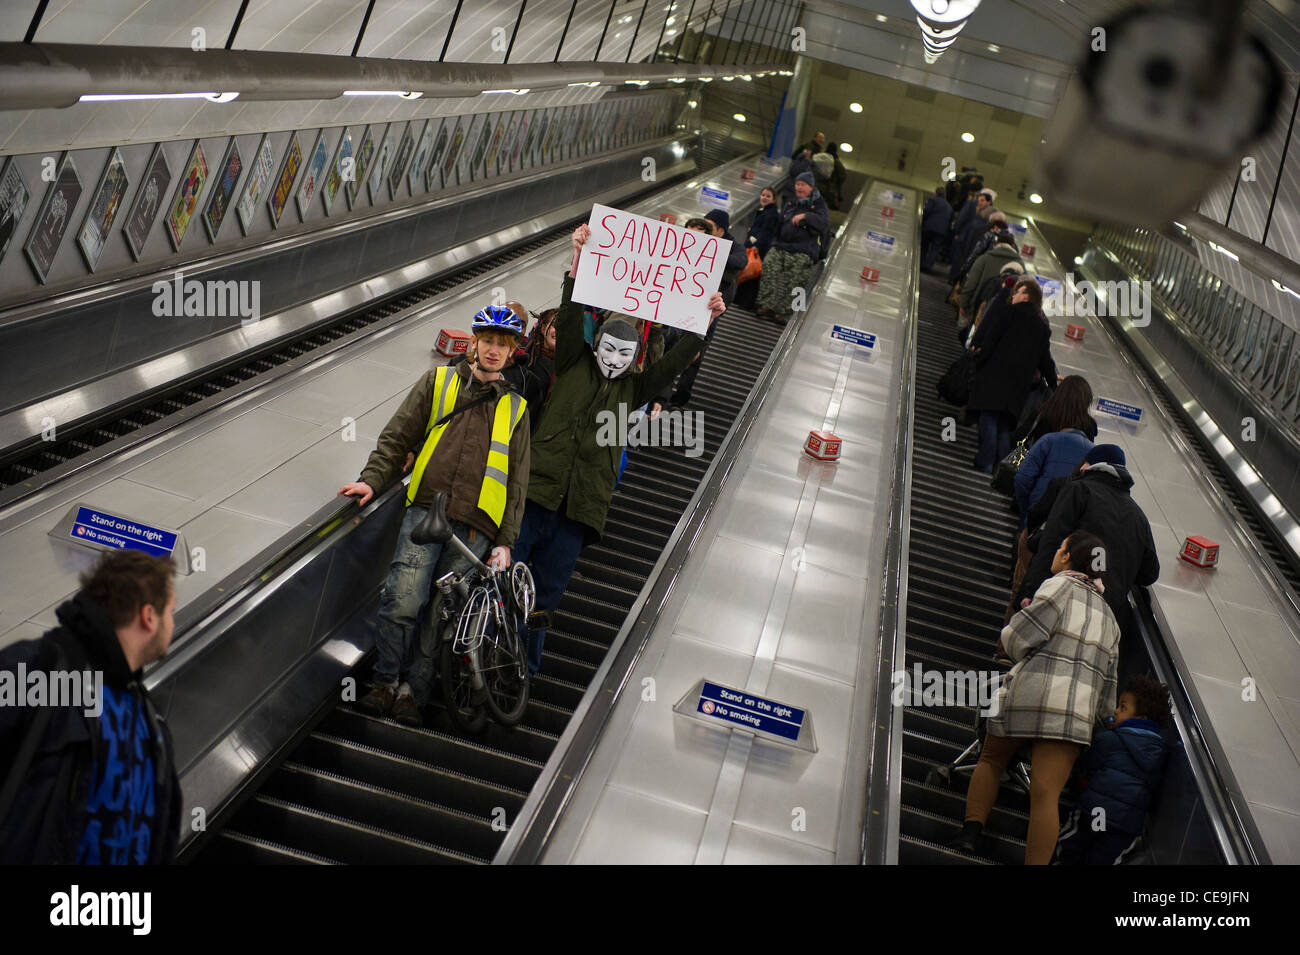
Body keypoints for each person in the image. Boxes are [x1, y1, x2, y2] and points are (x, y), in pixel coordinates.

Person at [512, 225, 725, 675]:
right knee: (506, 572)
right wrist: (577, 259)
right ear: (596, 344)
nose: (615, 358)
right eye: (609, 347)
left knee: (548, 592)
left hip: (582, 508)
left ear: (635, 357)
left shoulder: (635, 388)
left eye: (625, 353)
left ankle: (524, 668)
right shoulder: (572, 363)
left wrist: (704, 322)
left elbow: (673, 361)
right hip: (535, 491)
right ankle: (490, 643)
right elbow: (569, 314)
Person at [341, 304, 531, 726]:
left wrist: (506, 541)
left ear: (514, 350)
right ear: (475, 342)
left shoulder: (516, 408)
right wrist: (372, 479)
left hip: (477, 527)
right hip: (428, 510)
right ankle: (383, 683)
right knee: (403, 600)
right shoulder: (439, 380)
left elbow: (518, 481)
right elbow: (398, 434)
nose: (495, 350)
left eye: (504, 344)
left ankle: (414, 694)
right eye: (488, 341)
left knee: (441, 619)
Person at [0, 550, 182, 864]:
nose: (173, 623)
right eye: (171, 612)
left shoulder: (150, 721)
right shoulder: (39, 673)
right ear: (148, 616)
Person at [950, 531, 1121, 865]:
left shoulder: (1057, 586)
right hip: (1074, 717)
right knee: (1046, 796)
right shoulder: (1111, 621)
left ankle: (970, 833)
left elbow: (1018, 636)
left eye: (1060, 548)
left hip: (1029, 697)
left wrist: (1014, 646)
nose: (1056, 553)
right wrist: (1094, 720)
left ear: (1068, 558)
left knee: (991, 760)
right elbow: (1108, 693)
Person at [1016, 444, 1160, 645]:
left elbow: (1051, 541)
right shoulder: (1138, 517)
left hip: (1061, 598)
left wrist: (1029, 591)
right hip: (1103, 615)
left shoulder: (1078, 490)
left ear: (1088, 466)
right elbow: (1149, 573)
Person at [1056, 675, 1172, 865]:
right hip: (1125, 824)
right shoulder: (1161, 755)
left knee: (1072, 846)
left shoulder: (1109, 739)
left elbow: (1088, 765)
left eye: (1123, 707)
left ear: (1141, 717)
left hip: (1095, 812)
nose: (1116, 711)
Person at [968, 277, 1057, 473]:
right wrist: (1054, 385)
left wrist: (979, 363)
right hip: (1019, 386)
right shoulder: (1042, 328)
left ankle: (985, 462)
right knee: (1003, 425)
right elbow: (1045, 360)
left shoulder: (1006, 313)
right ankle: (1001, 467)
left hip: (994, 376)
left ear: (1026, 296)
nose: (1013, 296)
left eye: (1017, 292)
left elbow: (990, 342)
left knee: (988, 417)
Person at [755, 172, 829, 323]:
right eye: (797, 184)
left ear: (811, 187)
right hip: (782, 245)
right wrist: (774, 242)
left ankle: (785, 312)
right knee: (769, 265)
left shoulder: (819, 204)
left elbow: (823, 224)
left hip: (804, 249)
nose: (799, 187)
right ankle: (766, 305)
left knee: (796, 278)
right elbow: (780, 223)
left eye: (803, 184)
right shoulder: (791, 202)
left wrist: (805, 217)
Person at [959, 230, 1022, 321]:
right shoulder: (1020, 264)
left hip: (979, 306)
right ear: (1013, 246)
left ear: (996, 243)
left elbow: (971, 283)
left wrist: (963, 304)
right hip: (1003, 313)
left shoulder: (984, 259)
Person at [921, 186, 952, 271]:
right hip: (941, 231)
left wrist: (922, 222)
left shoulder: (933, 200)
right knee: (935, 249)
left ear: (936, 193)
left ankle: (922, 264)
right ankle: (928, 266)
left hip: (929, 227)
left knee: (924, 246)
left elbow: (926, 211)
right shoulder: (949, 206)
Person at [745, 187, 781, 258]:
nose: (764, 198)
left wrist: (757, 245)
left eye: (768, 196)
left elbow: (767, 231)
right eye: (763, 195)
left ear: (774, 200)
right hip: (754, 245)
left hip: (757, 249)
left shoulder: (771, 214)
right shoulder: (765, 211)